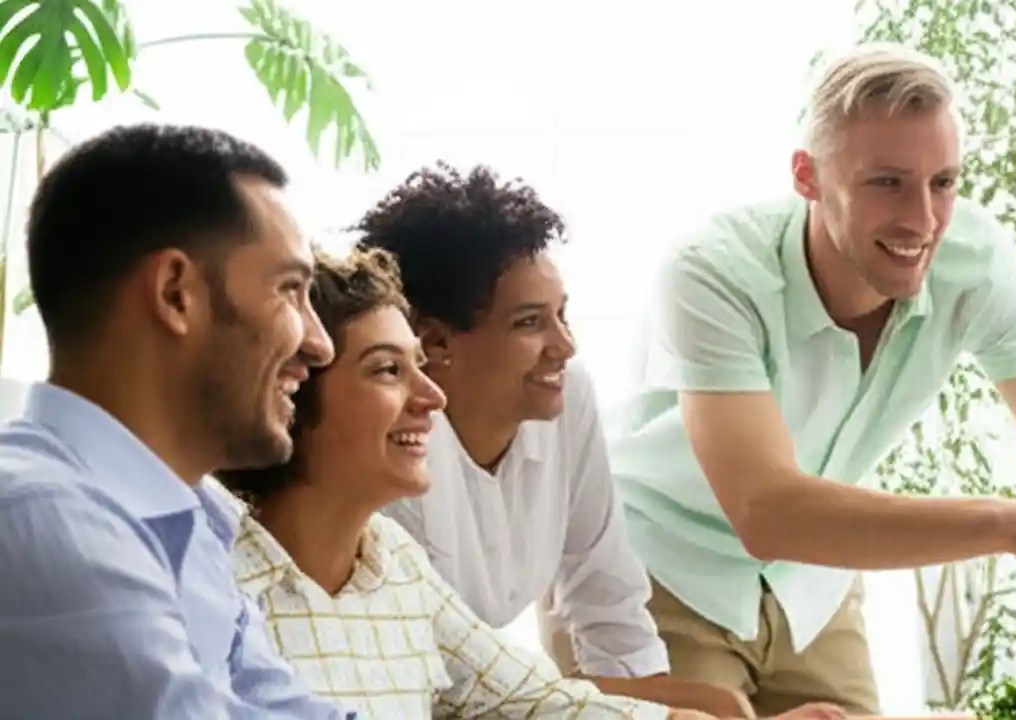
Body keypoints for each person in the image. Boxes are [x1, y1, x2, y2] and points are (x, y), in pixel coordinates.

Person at [605, 43, 1016, 715]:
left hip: (812, 583)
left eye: (943, 182)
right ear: (808, 176)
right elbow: (767, 511)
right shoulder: (715, 272)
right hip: (660, 570)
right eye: (886, 182)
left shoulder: (978, 268)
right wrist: (1015, 525)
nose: (922, 220)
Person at [213, 247, 851, 720]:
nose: (430, 396)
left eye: (418, 366)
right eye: (387, 371)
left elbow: (541, 700)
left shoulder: (396, 568)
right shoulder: (213, 586)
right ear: (292, 391)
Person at [357, 162, 751, 717]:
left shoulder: (568, 401)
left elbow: (605, 587)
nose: (564, 345)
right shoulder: (391, 451)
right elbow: (453, 681)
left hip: (492, 693)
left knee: (722, 706)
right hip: (418, 701)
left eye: (561, 314)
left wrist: (667, 705)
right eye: (529, 322)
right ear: (434, 341)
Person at [0, 124, 346, 718]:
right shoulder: (47, 520)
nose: (319, 345)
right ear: (176, 293)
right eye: (290, 290)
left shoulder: (195, 516)